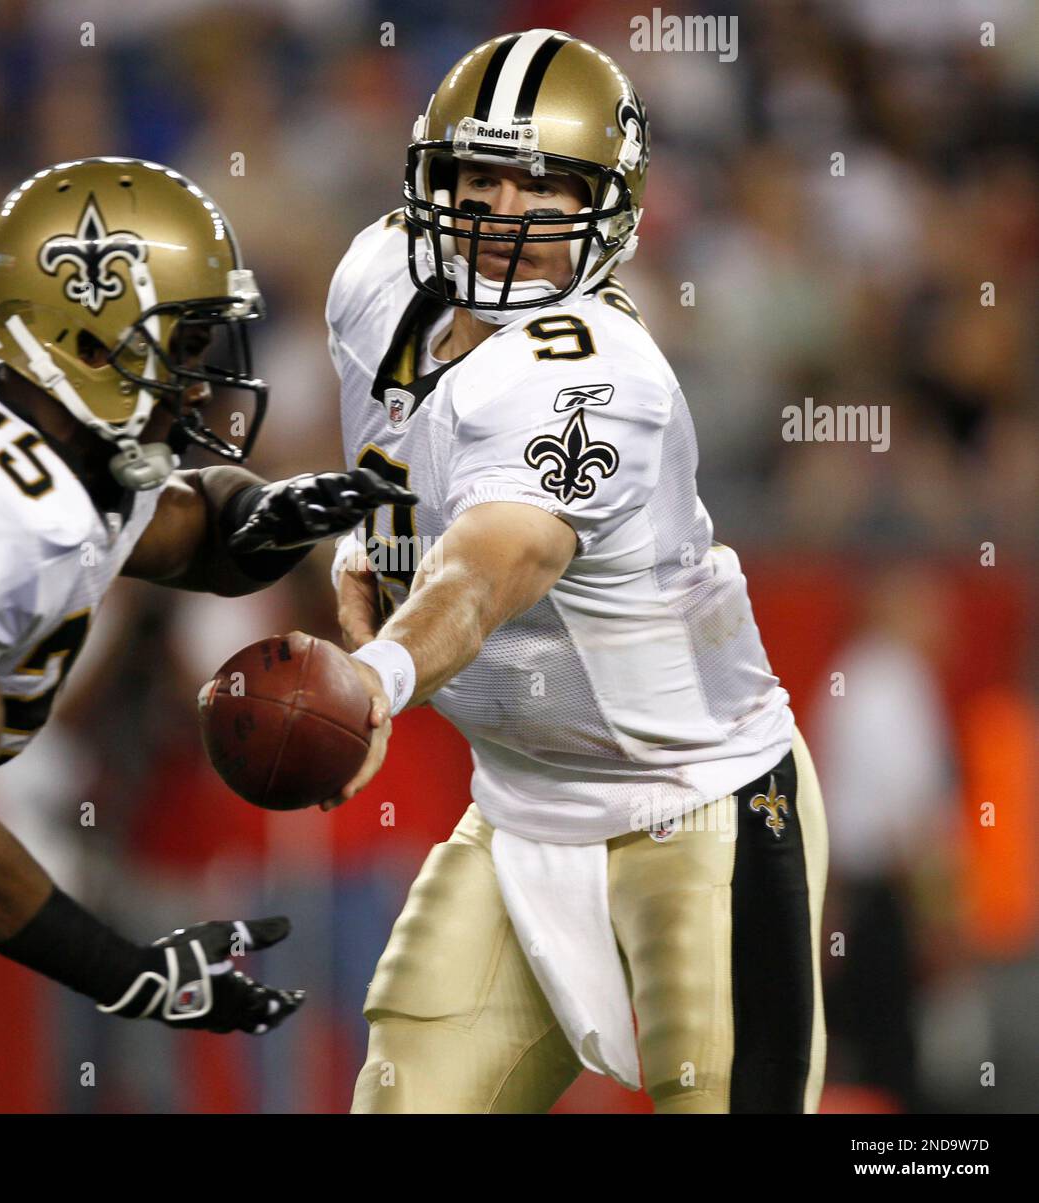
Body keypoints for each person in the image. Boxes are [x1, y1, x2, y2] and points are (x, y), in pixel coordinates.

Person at [0, 157, 410, 1114]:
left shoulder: (65, 434)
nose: (209, 367)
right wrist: (130, 970)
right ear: (88, 338)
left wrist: (291, 512)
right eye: (184, 336)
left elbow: (194, 533)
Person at [318, 31, 829, 1113]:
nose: (505, 211)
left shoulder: (597, 371)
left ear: (612, 209)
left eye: (546, 187)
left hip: (699, 809)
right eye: (480, 177)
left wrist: (379, 680)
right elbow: (413, 474)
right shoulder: (376, 280)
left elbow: (499, 558)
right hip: (518, 807)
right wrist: (367, 546)